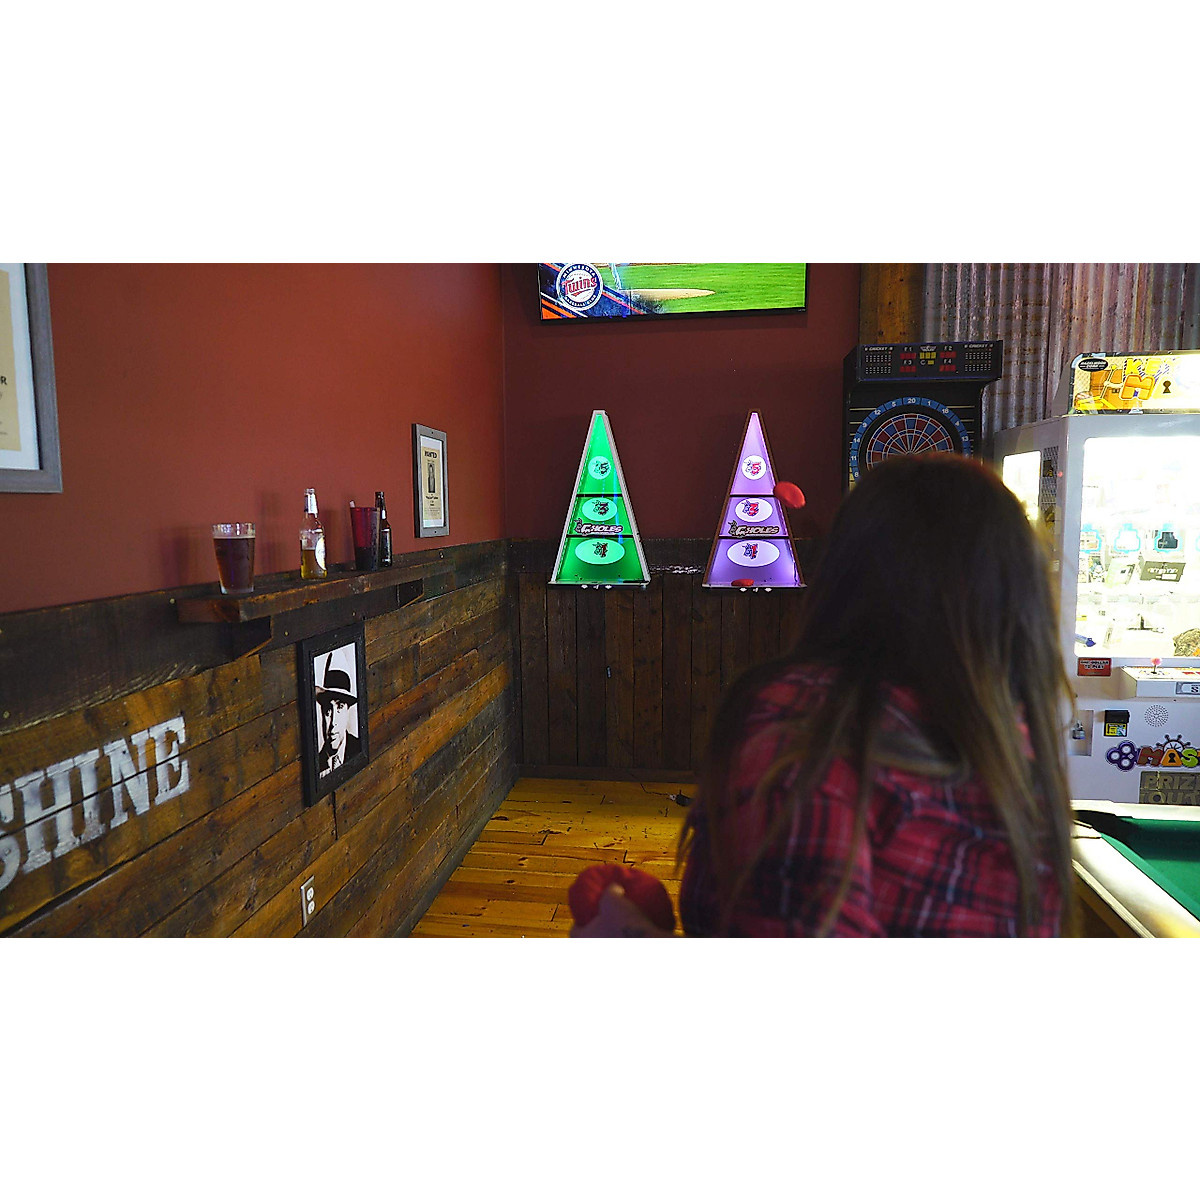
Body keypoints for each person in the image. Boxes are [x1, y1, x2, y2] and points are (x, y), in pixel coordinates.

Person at [572, 452, 1076, 937]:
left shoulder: (800, 731)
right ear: (1022, 602)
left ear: (844, 573)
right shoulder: (1016, 746)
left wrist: (628, 936)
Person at [315, 655, 360, 777]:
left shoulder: (358, 748)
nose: (333, 722)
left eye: (340, 707)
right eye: (328, 711)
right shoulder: (316, 765)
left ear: (347, 710)